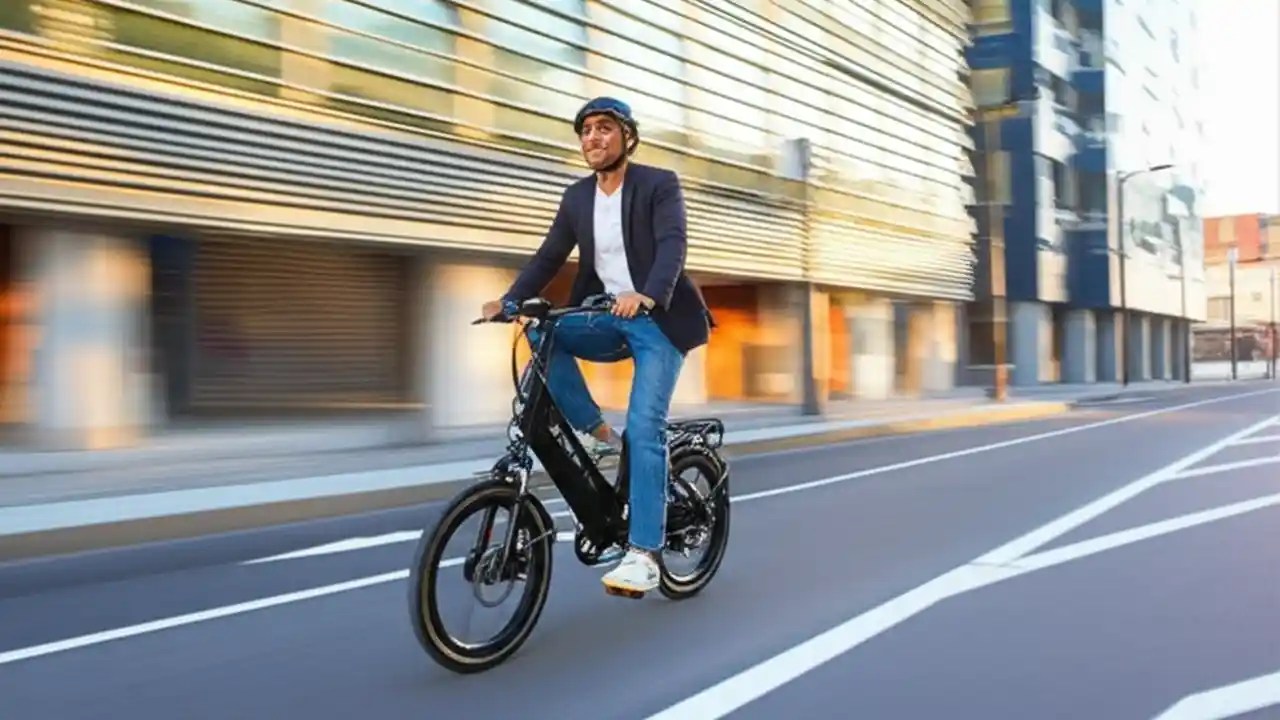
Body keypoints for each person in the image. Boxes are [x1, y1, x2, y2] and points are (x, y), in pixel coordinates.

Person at [481, 96, 712, 594]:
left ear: (627, 137)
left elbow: (673, 244)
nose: (593, 138)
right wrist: (511, 300)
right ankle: (591, 431)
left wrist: (648, 294)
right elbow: (549, 256)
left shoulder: (658, 184)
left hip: (659, 323)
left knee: (645, 427)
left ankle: (644, 554)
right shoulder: (577, 198)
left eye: (604, 128)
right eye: (585, 130)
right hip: (607, 316)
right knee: (542, 331)